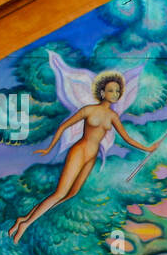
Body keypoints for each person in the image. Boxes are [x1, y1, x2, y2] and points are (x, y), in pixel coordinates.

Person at [9, 73, 158, 241]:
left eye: (117, 91)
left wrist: (148, 148)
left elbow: (127, 138)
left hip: (91, 156)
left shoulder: (113, 116)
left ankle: (26, 218)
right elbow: (64, 126)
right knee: (59, 193)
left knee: (72, 193)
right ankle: (25, 225)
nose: (115, 94)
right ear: (102, 92)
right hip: (79, 151)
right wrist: (49, 148)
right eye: (111, 90)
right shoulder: (89, 110)